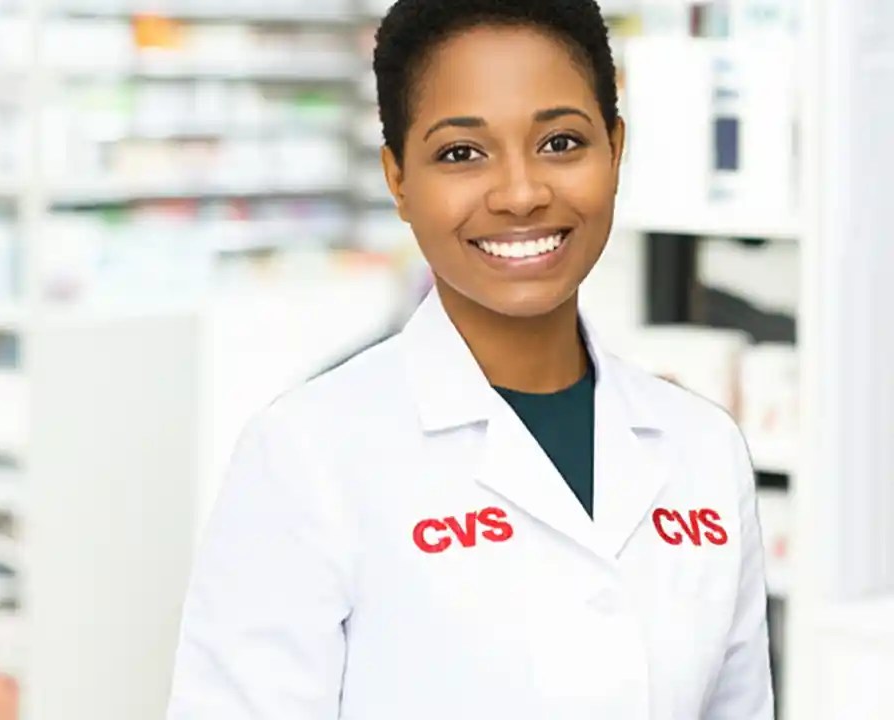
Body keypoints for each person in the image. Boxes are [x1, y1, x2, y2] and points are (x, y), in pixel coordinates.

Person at [166, 0, 774, 717]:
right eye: (461, 153)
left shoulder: (703, 448)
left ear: (615, 147)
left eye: (561, 142)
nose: (521, 193)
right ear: (398, 178)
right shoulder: (307, 453)